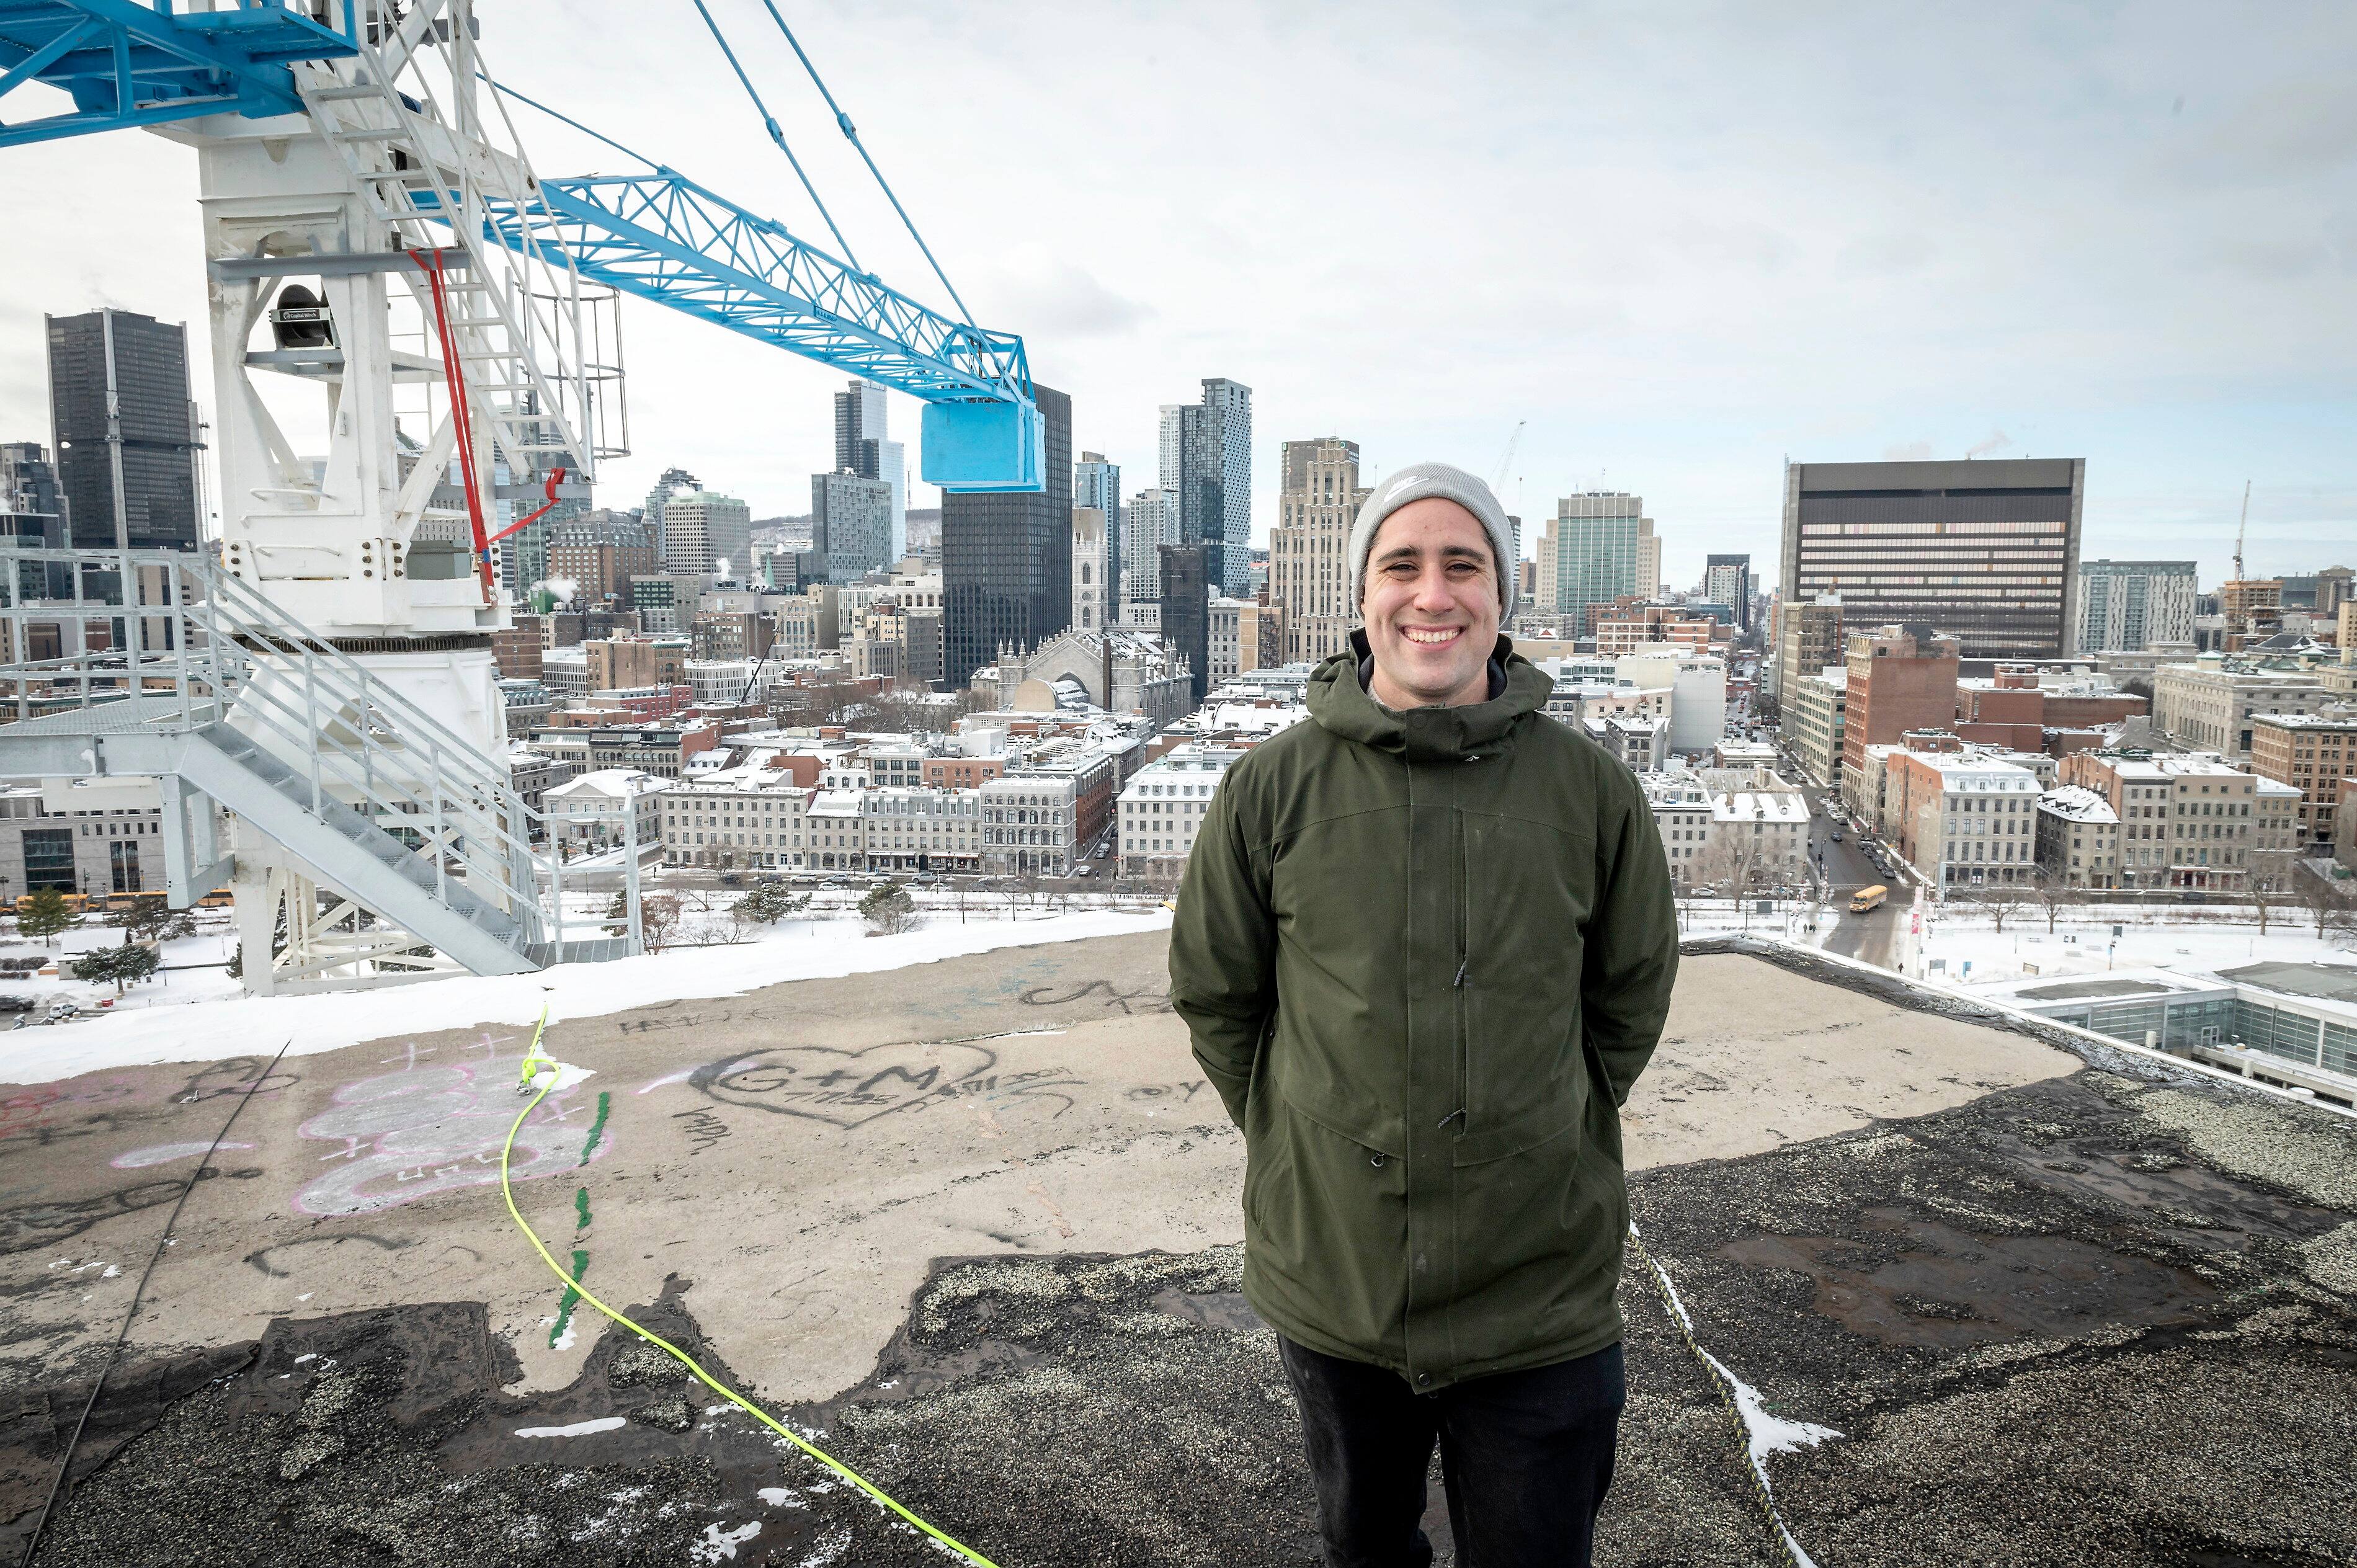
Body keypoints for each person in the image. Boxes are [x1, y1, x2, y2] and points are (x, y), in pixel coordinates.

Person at [1167, 462, 1678, 1567]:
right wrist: (1303, 1136)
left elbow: (1628, 999)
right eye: (1402, 566)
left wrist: (1548, 1125)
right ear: (1361, 597)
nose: (1432, 595)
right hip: (1340, 1286)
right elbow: (1219, 995)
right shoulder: (1271, 790)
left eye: (1465, 566)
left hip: (1540, 1296)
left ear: (1503, 597)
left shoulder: (1593, 795)